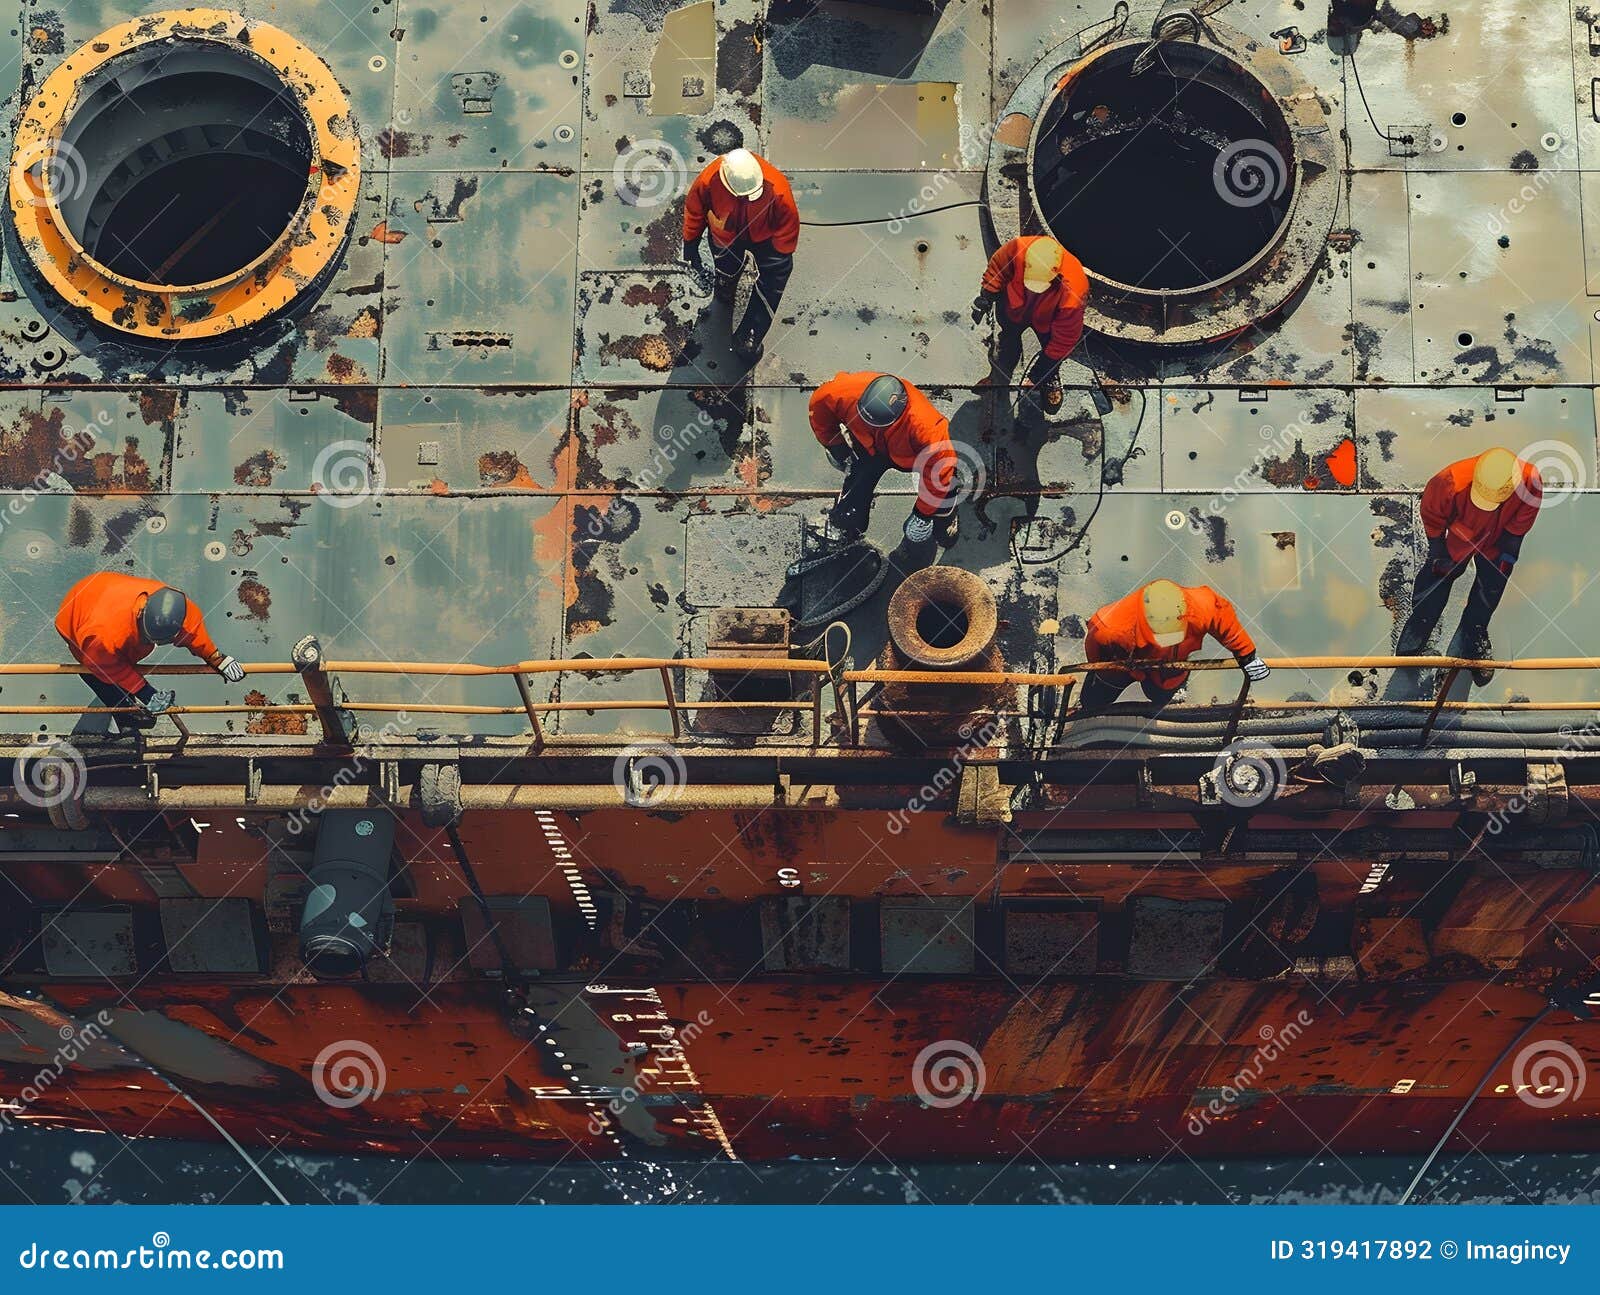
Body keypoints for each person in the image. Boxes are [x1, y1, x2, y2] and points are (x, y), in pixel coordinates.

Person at [1397, 448, 1541, 685]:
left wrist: (1509, 548)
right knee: (1436, 577)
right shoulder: (1450, 480)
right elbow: (1432, 514)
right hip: (1461, 534)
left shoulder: (1531, 482)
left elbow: (1522, 520)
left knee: (1492, 586)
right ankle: (1419, 626)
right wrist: (1438, 548)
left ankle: (1474, 631)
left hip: (1498, 538)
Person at [55, 573, 244, 732]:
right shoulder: (102, 635)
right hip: (77, 609)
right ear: (140, 617)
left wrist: (218, 660)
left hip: (109, 592)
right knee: (96, 671)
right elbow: (102, 663)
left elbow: (194, 635)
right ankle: (127, 715)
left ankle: (129, 714)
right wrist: (146, 692)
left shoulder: (179, 607)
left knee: (118, 666)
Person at [808, 372, 959, 547]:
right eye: (867, 420)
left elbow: (939, 472)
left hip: (912, 455)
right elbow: (819, 410)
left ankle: (944, 521)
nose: (873, 426)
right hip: (868, 448)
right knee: (855, 490)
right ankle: (848, 529)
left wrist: (922, 514)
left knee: (943, 493)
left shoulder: (929, 429)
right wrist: (837, 447)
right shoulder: (840, 391)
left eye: (879, 424)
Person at [682, 147, 799, 363]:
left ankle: (750, 334)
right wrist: (691, 242)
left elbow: (787, 226)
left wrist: (780, 259)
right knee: (726, 266)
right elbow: (695, 212)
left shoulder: (778, 189)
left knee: (772, 285)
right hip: (725, 236)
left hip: (768, 239)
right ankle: (726, 285)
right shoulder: (708, 182)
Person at [1080, 579, 1269, 710]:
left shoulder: (1202, 606)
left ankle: (1163, 710)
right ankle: (1092, 708)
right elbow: (1094, 654)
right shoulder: (1109, 627)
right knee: (1094, 700)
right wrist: (1130, 672)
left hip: (1170, 664)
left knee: (1161, 698)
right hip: (1119, 661)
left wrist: (1247, 656)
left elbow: (1225, 622)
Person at [972, 235, 1089, 413]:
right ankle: (1001, 372)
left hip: (1048, 319)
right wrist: (987, 296)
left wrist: (1043, 367)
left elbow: (1065, 337)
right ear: (1026, 263)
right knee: (1008, 341)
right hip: (1013, 307)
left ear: (1056, 275)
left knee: (1051, 351)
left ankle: (1049, 377)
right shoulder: (1018, 247)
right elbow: (997, 268)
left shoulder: (1075, 289)